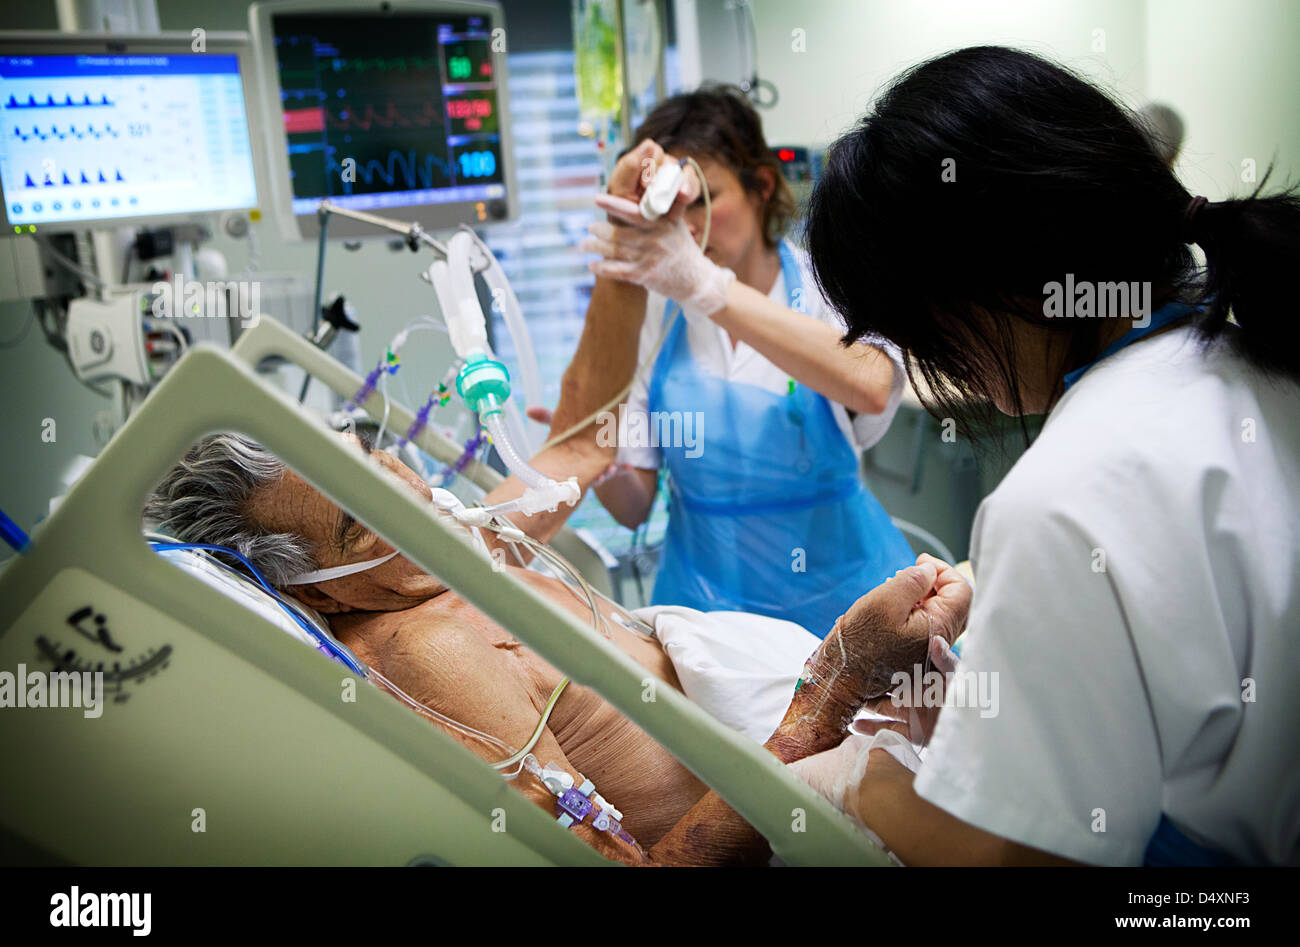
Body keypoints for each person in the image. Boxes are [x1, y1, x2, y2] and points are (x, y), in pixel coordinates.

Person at [793, 46, 1300, 866]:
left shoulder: (1062, 495)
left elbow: (1023, 859)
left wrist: (858, 777)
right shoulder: (1258, 364)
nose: (939, 357)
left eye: (915, 324)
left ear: (974, 286)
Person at [145, 428, 968, 866]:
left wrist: (644, 262)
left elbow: (583, 437)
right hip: (807, 807)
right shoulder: (429, 649)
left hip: (834, 732)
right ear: (320, 588)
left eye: (373, 459)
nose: (412, 494)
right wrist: (829, 694)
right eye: (364, 517)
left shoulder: (451, 559)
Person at [577, 85, 914, 637]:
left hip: (841, 608)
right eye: (671, 208)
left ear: (761, 186)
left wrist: (709, 288)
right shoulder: (656, 321)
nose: (687, 226)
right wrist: (601, 462)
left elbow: (873, 385)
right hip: (708, 617)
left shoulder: (829, 283)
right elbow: (633, 508)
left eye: (705, 199)